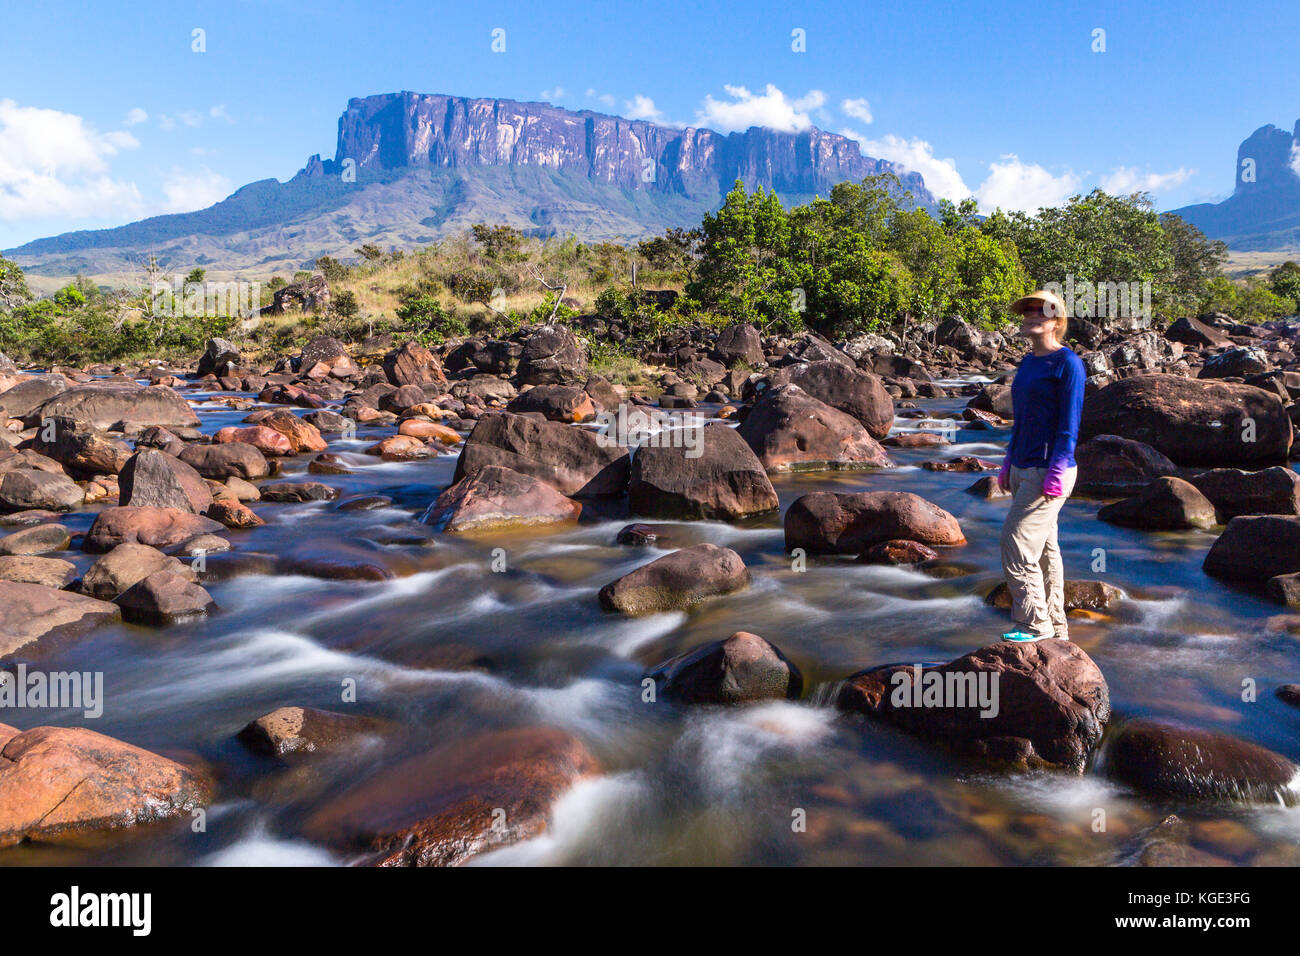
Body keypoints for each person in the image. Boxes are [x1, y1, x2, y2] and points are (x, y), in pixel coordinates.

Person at [996, 289, 1086, 642]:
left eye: (1043, 310)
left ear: (1057, 321)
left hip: (1049, 470)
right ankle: (1057, 629)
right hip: (1022, 467)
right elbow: (1022, 420)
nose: (1034, 315)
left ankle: (1034, 625)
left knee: (1015, 543)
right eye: (1028, 310)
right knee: (1046, 551)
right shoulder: (1029, 363)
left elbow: (1070, 423)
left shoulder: (1068, 364)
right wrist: (1008, 463)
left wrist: (1059, 468)